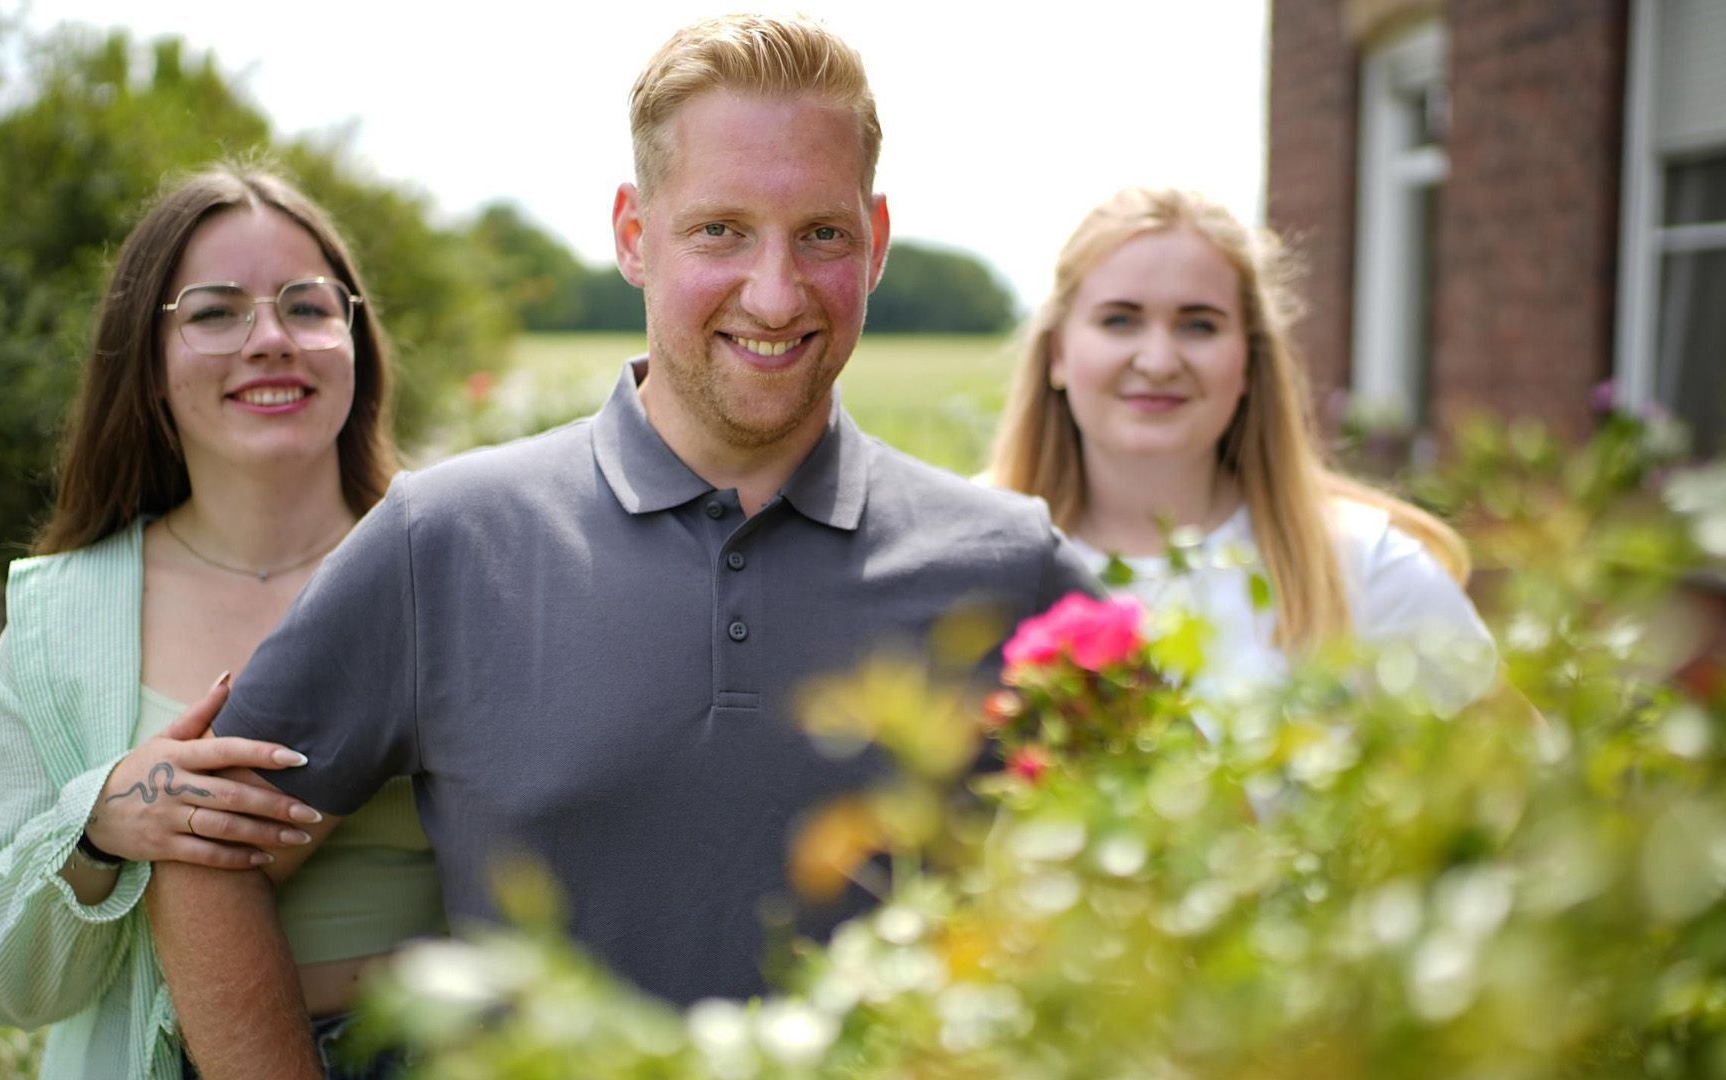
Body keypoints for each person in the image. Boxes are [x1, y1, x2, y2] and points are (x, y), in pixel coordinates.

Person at [149, 14, 1103, 1078]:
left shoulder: (1010, 568)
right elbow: (199, 858)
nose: (777, 293)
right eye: (721, 232)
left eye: (822, 235)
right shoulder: (447, 542)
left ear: (876, 242)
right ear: (634, 234)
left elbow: (1167, 874)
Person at [0, 165, 440, 1080]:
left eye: (309, 307)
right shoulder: (61, 618)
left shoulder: (452, 563)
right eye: (215, 313)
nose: (272, 339)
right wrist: (100, 824)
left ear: (355, 340)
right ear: (149, 364)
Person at [987, 187, 1495, 712]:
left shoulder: (1367, 565)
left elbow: (1522, 779)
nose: (1159, 360)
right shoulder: (963, 554)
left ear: (1250, 359)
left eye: (1199, 325)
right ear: (1058, 353)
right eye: (1120, 320)